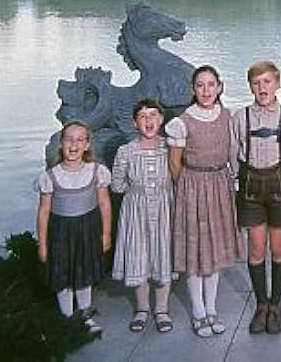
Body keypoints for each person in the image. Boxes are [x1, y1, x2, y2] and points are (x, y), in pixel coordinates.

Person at [232, 60, 281, 335]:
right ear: (250, 86)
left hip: (279, 186)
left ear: (278, 84)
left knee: (279, 248)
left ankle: (276, 304)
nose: (262, 87)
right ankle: (261, 304)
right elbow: (233, 155)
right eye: (256, 82)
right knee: (256, 248)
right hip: (251, 187)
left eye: (267, 81)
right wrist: (238, 180)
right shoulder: (239, 118)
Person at [166, 64, 243, 338]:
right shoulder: (182, 122)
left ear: (220, 87)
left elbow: (233, 153)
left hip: (220, 185)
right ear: (192, 89)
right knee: (196, 253)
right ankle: (198, 312)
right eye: (200, 85)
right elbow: (175, 164)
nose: (206, 90)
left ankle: (212, 309)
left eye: (211, 85)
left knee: (215, 251)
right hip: (193, 188)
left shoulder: (228, 117)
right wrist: (190, 189)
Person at [36, 120, 111, 335]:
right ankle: (67, 318)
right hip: (60, 233)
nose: (73, 145)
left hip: (87, 231)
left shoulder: (97, 171)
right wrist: (42, 244)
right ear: (61, 143)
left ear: (87, 145)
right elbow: (43, 212)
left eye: (80, 140)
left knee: (83, 273)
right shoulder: (50, 176)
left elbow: (105, 204)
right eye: (69, 139)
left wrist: (106, 234)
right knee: (64, 277)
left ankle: (86, 314)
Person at [111, 98, 176, 334]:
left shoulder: (170, 147)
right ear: (134, 123)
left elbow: (178, 176)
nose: (148, 121)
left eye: (153, 115)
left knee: (162, 253)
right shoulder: (125, 151)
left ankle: (161, 309)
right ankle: (141, 308)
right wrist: (135, 192)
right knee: (139, 255)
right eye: (142, 116)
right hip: (135, 211)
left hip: (164, 208)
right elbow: (117, 185)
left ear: (162, 119)